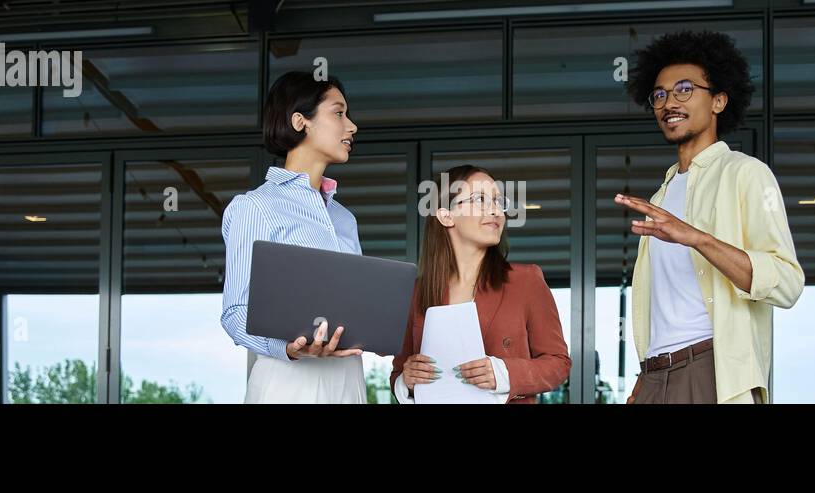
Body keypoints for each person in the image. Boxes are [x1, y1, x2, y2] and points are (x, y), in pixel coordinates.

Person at [617, 30, 804, 404]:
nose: (670, 102)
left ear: (718, 100)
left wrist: (697, 238)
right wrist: (645, 380)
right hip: (654, 376)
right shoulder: (662, 193)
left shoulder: (745, 173)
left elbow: (787, 282)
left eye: (685, 89)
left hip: (709, 371)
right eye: (660, 94)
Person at [220, 71, 365, 403]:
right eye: (339, 112)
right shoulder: (255, 207)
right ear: (301, 121)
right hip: (289, 383)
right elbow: (236, 312)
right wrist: (287, 347)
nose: (352, 126)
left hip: (349, 380)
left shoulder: (345, 219)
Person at [390, 165, 571, 404]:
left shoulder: (526, 280)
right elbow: (398, 373)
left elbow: (558, 363)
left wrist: (504, 373)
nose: (495, 210)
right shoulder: (417, 292)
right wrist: (406, 380)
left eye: (498, 201)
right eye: (480, 200)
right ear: (446, 215)